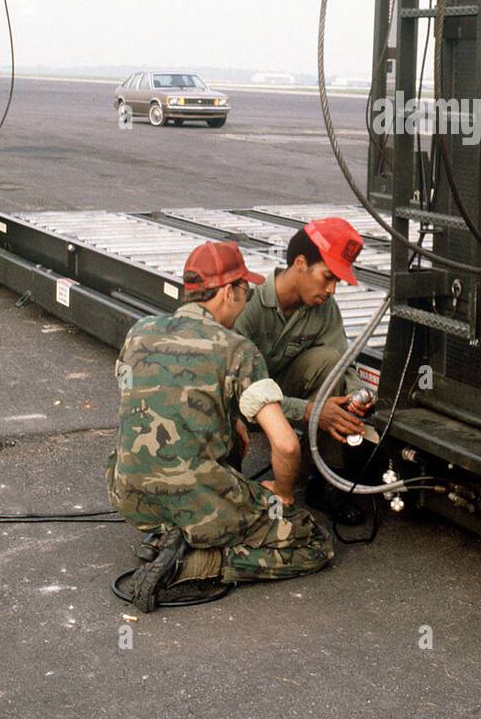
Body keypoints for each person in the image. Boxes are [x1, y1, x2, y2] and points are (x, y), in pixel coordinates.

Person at [106, 240, 333, 611]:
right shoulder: (236, 349)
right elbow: (286, 444)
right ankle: (198, 562)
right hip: (195, 496)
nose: (245, 303)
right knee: (313, 541)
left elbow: (147, 401)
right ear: (228, 292)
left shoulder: (140, 331)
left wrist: (226, 422)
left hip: (129, 493)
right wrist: (283, 495)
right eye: (244, 292)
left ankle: (164, 534)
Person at [234, 217, 374, 525]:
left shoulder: (324, 308)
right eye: (327, 277)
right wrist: (311, 411)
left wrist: (355, 395)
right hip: (241, 397)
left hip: (281, 391)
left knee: (330, 362)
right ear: (300, 263)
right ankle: (229, 485)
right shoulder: (249, 304)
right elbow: (237, 391)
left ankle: (325, 482)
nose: (332, 289)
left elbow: (340, 362)